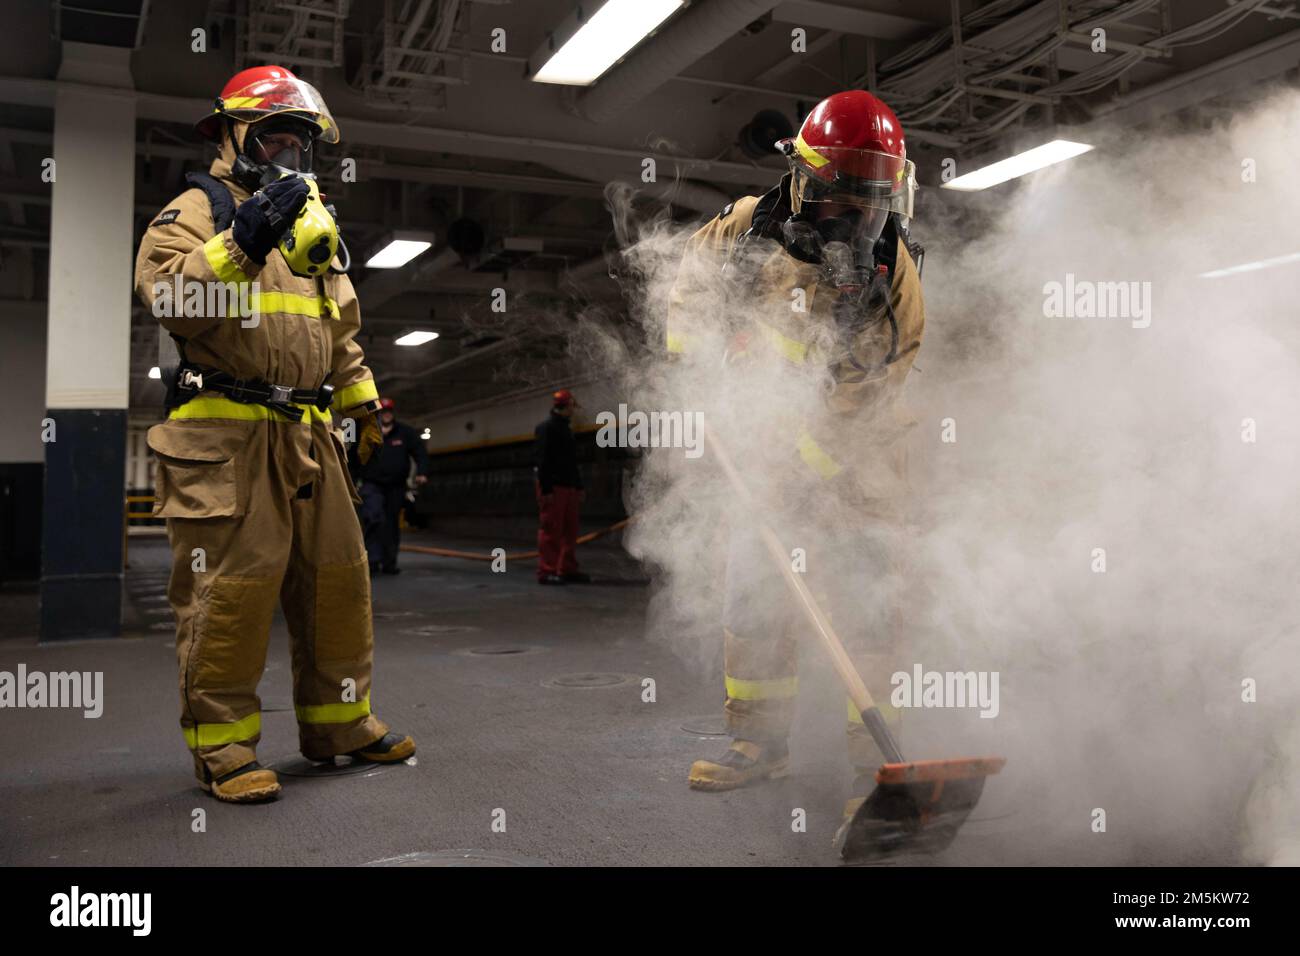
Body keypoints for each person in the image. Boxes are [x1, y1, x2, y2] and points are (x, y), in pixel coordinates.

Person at [134, 65, 414, 804]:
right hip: (225, 435)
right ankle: (222, 747)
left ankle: (340, 725)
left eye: (299, 141)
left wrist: (363, 412)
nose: (288, 152)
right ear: (234, 135)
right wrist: (245, 239)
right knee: (231, 593)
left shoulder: (312, 225)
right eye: (274, 136)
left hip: (310, 434)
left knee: (339, 584)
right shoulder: (195, 210)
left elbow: (339, 332)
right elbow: (173, 300)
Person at [665, 91, 926, 816]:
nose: (853, 221)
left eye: (870, 204)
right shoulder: (753, 228)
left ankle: (876, 771)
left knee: (870, 611)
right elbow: (690, 273)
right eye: (840, 201)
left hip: (863, 467)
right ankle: (758, 744)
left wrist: (803, 469)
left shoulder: (895, 281)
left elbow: (865, 402)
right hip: (766, 452)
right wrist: (689, 357)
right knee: (754, 597)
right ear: (807, 184)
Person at [354, 397, 430, 575]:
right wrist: (353, 478)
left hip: (396, 486)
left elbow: (420, 453)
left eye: (389, 411)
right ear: (378, 413)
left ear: (392, 413)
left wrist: (422, 473)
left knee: (390, 523)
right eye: (383, 411)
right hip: (372, 484)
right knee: (372, 518)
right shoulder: (368, 431)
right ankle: (372, 562)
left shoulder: (405, 432)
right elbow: (354, 454)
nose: (386, 415)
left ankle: (389, 563)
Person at [533, 389, 588, 585]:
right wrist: (546, 489)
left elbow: (572, 462)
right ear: (566, 406)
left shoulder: (566, 429)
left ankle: (566, 568)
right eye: (573, 405)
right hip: (554, 487)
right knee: (551, 530)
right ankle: (546, 571)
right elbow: (543, 460)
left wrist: (578, 486)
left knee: (570, 530)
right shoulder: (546, 428)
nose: (575, 409)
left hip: (568, 486)